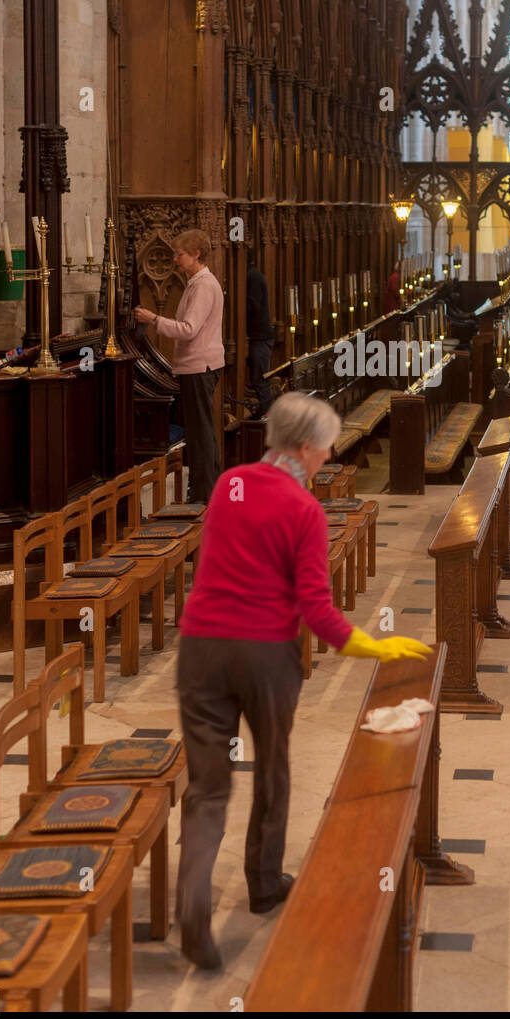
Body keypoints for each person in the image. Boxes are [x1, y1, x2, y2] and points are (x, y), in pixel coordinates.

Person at [174, 392, 430, 969]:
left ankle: (192, 910)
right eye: (327, 447)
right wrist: (370, 645)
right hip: (264, 653)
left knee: (208, 789)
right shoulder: (304, 509)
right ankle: (263, 884)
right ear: (308, 448)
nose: (330, 456)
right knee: (272, 770)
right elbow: (317, 610)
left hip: (200, 648)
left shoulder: (231, 484)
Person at [135, 228, 224, 504]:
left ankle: (204, 496)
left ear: (196, 254)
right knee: (201, 431)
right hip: (196, 365)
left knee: (200, 433)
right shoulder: (197, 283)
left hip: (200, 366)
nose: (175, 259)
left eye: (180, 254)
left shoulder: (204, 285)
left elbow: (188, 329)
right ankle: (207, 491)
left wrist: (153, 319)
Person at [246, 262, 274, 415]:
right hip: (256, 336)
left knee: (260, 380)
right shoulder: (251, 275)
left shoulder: (253, 276)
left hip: (260, 337)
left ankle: (268, 422)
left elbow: (253, 305)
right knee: (258, 380)